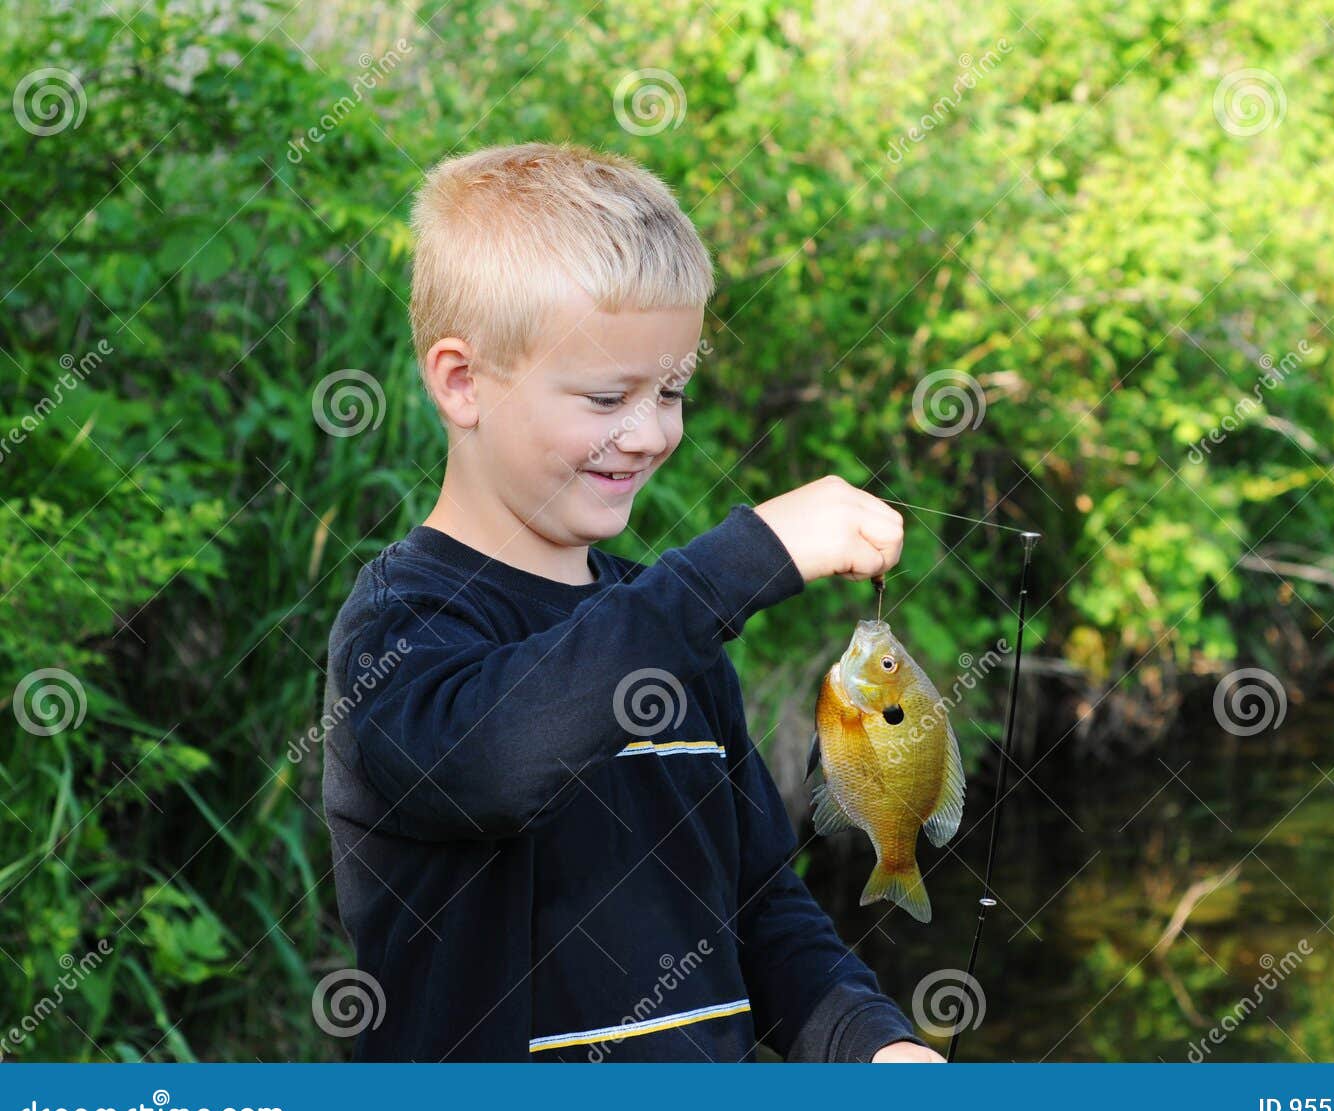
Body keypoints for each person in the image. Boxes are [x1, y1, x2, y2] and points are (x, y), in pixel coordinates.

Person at [319, 141, 942, 1062]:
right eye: (609, 395)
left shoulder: (676, 637)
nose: (649, 432)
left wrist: (873, 1046)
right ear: (461, 381)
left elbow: (761, 908)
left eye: (673, 389)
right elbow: (495, 763)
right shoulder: (401, 627)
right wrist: (747, 557)